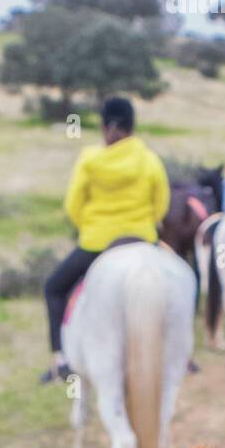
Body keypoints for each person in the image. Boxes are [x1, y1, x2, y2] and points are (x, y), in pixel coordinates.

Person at [41, 96, 170, 383]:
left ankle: (60, 358)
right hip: (141, 240)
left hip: (96, 244)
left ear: (103, 126)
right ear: (132, 126)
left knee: (54, 289)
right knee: (181, 280)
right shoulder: (149, 159)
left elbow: (72, 205)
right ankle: (180, 354)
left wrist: (89, 227)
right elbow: (161, 204)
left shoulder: (89, 159)